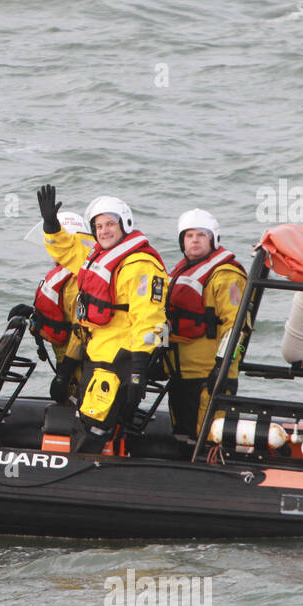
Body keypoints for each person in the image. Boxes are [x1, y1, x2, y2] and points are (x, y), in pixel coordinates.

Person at [36, 185, 167, 453]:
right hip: (97, 352)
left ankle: (78, 475)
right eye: (99, 226)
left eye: (110, 224)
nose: (104, 230)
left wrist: (139, 368)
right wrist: (51, 224)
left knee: (94, 426)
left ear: (125, 225)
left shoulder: (140, 264)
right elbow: (65, 251)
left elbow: (148, 318)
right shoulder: (98, 256)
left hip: (121, 355)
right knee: (87, 418)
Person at [164, 208, 247, 438]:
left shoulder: (227, 277)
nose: (194, 240)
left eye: (201, 235)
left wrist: (224, 365)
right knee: (182, 437)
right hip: (180, 375)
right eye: (189, 235)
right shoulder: (178, 273)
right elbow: (164, 321)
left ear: (213, 238)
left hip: (209, 378)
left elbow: (238, 328)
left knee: (208, 441)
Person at [16, 212, 90, 404]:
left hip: (78, 366)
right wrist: (35, 315)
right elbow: (61, 315)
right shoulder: (68, 274)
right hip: (67, 360)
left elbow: (80, 330)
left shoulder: (76, 281)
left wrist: (63, 374)